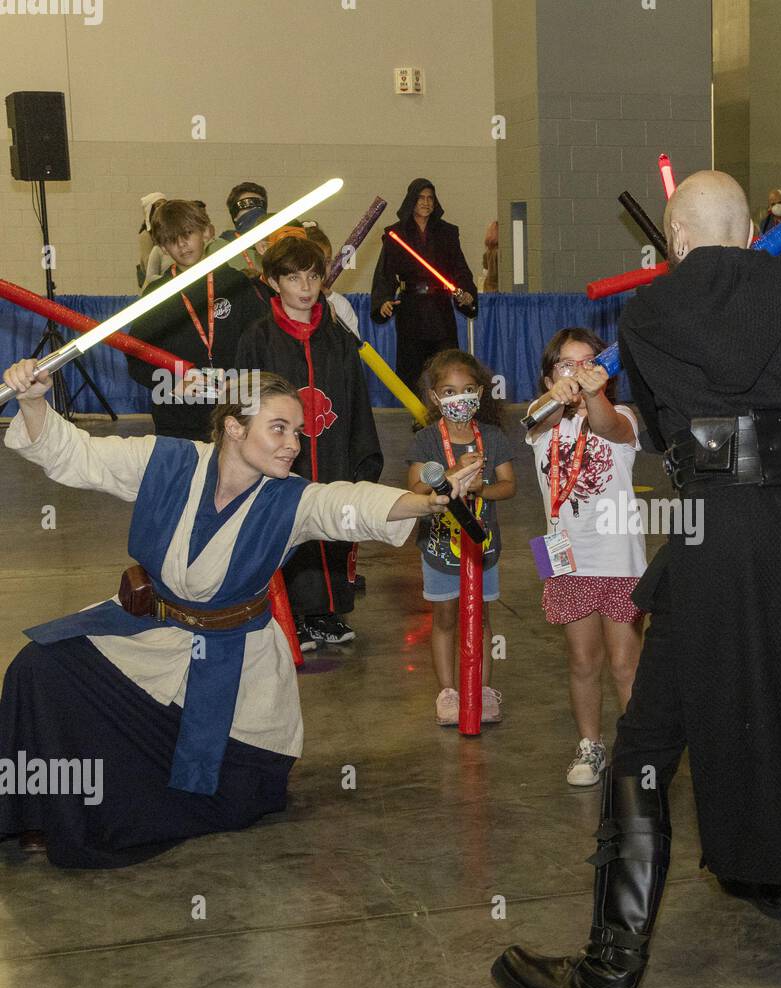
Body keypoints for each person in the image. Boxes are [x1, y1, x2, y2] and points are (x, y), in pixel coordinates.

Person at [491, 170, 781, 988]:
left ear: (674, 236)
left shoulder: (654, 309)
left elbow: (662, 430)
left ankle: (605, 973)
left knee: (650, 739)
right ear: (746, 231)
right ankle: (773, 872)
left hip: (722, 523)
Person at [0, 363, 468, 868]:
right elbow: (80, 455)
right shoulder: (166, 461)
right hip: (153, 636)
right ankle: (36, 809)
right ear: (234, 427)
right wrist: (31, 401)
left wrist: (423, 503)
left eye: (297, 432)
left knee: (219, 794)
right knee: (38, 668)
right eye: (279, 428)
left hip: (236, 672)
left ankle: (89, 808)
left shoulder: (292, 499)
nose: (293, 444)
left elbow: (346, 503)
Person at [236, 235, 383, 650]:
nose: (304, 287)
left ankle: (326, 612)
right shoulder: (257, 339)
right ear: (273, 282)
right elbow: (245, 402)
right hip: (280, 458)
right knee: (286, 527)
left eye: (313, 277)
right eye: (293, 278)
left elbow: (356, 402)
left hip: (332, 452)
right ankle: (291, 615)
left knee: (332, 523)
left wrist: (364, 459)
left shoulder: (338, 339)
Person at [524, 329, 646, 787]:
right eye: (565, 364)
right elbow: (534, 420)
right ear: (548, 376)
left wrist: (592, 393)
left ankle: (636, 751)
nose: (576, 371)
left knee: (624, 663)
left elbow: (607, 426)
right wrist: (556, 396)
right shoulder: (541, 423)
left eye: (589, 362)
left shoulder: (623, 417)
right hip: (562, 558)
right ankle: (590, 745)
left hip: (619, 559)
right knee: (581, 661)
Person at [407, 350, 514, 726]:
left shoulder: (494, 438)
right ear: (435, 397)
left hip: (485, 548)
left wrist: (481, 487)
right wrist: (452, 473)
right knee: (445, 618)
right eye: (449, 391)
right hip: (439, 548)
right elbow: (417, 488)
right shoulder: (425, 440)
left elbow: (509, 485)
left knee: (481, 619)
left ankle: (482, 690)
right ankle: (448, 693)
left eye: (468, 389)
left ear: (481, 393)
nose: (459, 398)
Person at [126, 200, 264, 442]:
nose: (181, 244)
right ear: (163, 248)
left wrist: (245, 382)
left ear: (206, 232)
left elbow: (263, 342)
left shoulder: (235, 283)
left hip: (235, 407)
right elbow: (136, 356)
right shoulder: (156, 294)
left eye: (188, 233)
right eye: (171, 239)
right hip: (177, 415)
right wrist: (171, 384)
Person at [370, 179, 478, 393]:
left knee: (446, 365)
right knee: (413, 367)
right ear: (412, 200)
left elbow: (459, 268)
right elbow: (385, 272)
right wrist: (383, 300)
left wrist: (467, 293)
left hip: (440, 308)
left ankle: (445, 409)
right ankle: (419, 416)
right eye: (421, 198)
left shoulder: (447, 233)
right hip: (411, 309)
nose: (426, 202)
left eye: (430, 198)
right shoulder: (396, 234)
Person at [300, 222, 362, 339]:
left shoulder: (341, 305)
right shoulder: (289, 303)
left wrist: (333, 327)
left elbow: (354, 350)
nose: (322, 268)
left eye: (327, 261)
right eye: (316, 262)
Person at [137, 191, 168, 289]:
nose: (161, 207)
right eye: (158, 205)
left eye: (164, 204)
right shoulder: (146, 236)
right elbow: (148, 268)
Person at [480, 220, 499, 293]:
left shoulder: (486, 254)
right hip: (498, 289)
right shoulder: (501, 253)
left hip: (488, 289)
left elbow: (485, 273)